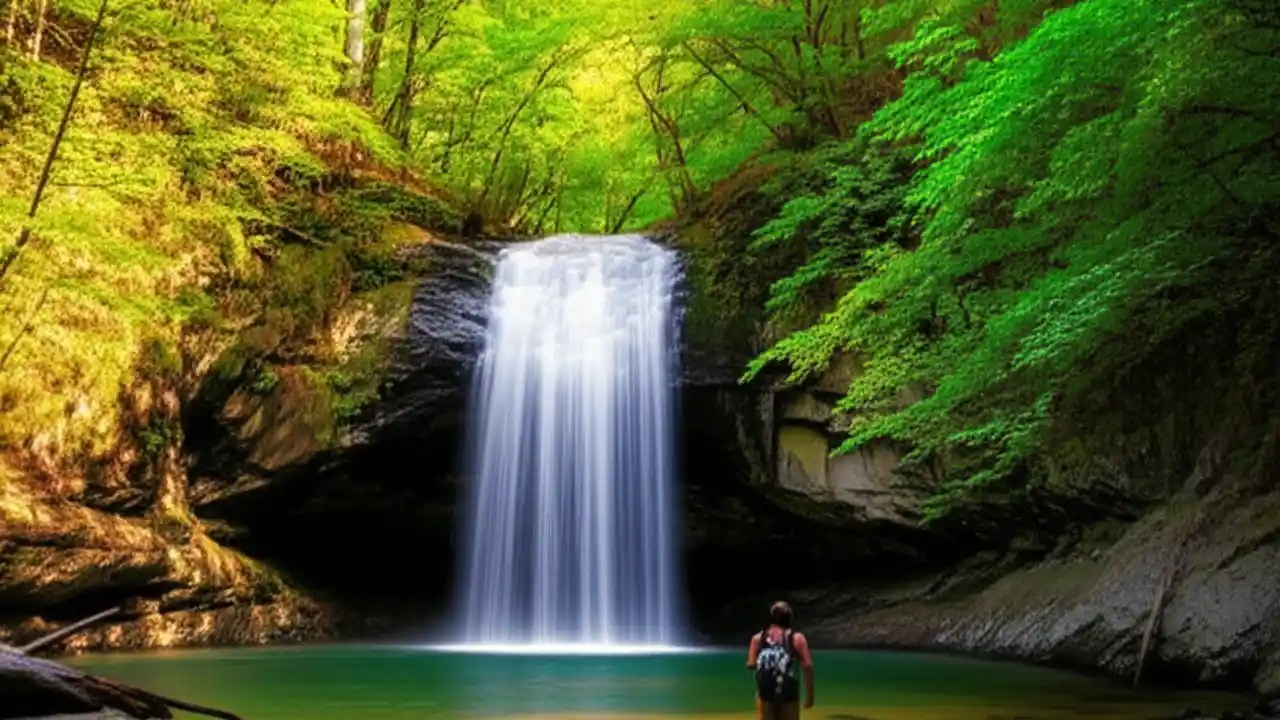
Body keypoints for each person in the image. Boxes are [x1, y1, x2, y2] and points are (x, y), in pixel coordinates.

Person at [746, 600, 814, 720]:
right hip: (788, 691)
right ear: (790, 618)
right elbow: (807, 666)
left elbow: (751, 664)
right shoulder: (796, 638)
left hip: (765, 691)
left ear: (771, 618)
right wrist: (810, 696)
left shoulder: (758, 638)